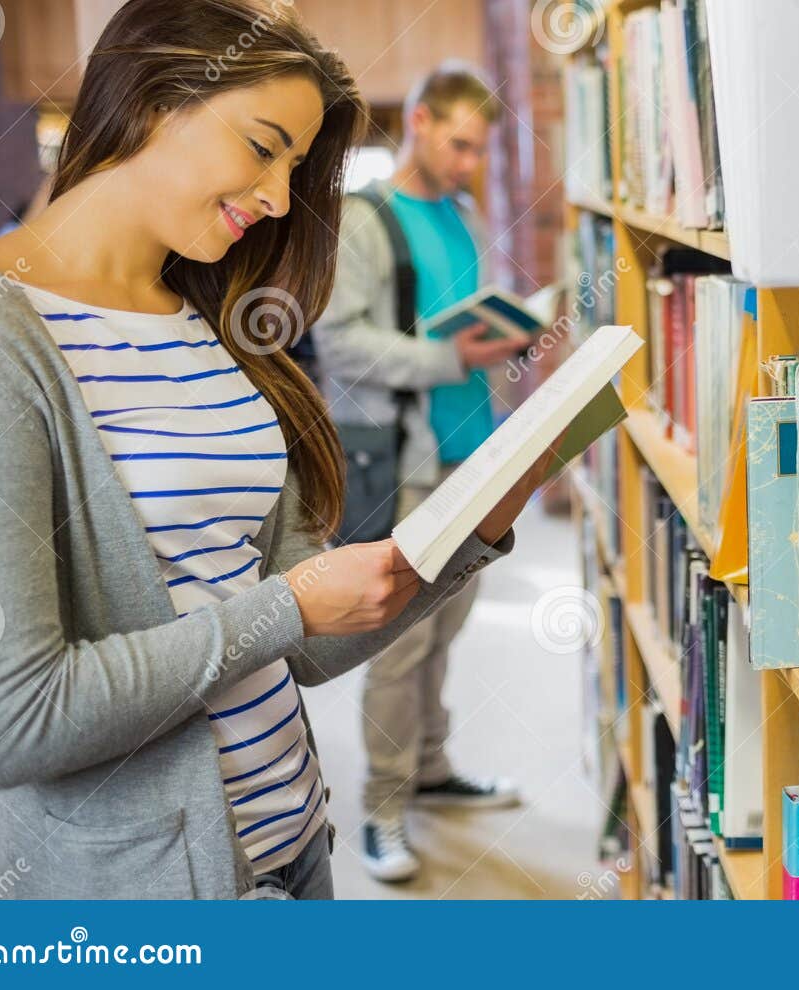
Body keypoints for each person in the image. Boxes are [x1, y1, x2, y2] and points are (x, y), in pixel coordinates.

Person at [0, 0, 551, 900]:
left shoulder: (213, 324)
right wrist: (285, 605)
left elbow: (298, 643)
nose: (279, 198)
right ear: (150, 100)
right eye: (262, 148)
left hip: (295, 852)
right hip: (151, 894)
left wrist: (471, 533)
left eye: (294, 165)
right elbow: (12, 720)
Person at [310, 63, 527, 882]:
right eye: (460, 144)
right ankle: (382, 809)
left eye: (480, 151)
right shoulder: (365, 220)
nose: (469, 164)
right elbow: (342, 345)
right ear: (424, 121)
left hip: (473, 454)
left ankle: (430, 770)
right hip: (407, 463)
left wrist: (501, 341)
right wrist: (451, 356)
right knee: (401, 640)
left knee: (448, 627)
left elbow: (457, 315)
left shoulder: (462, 214)